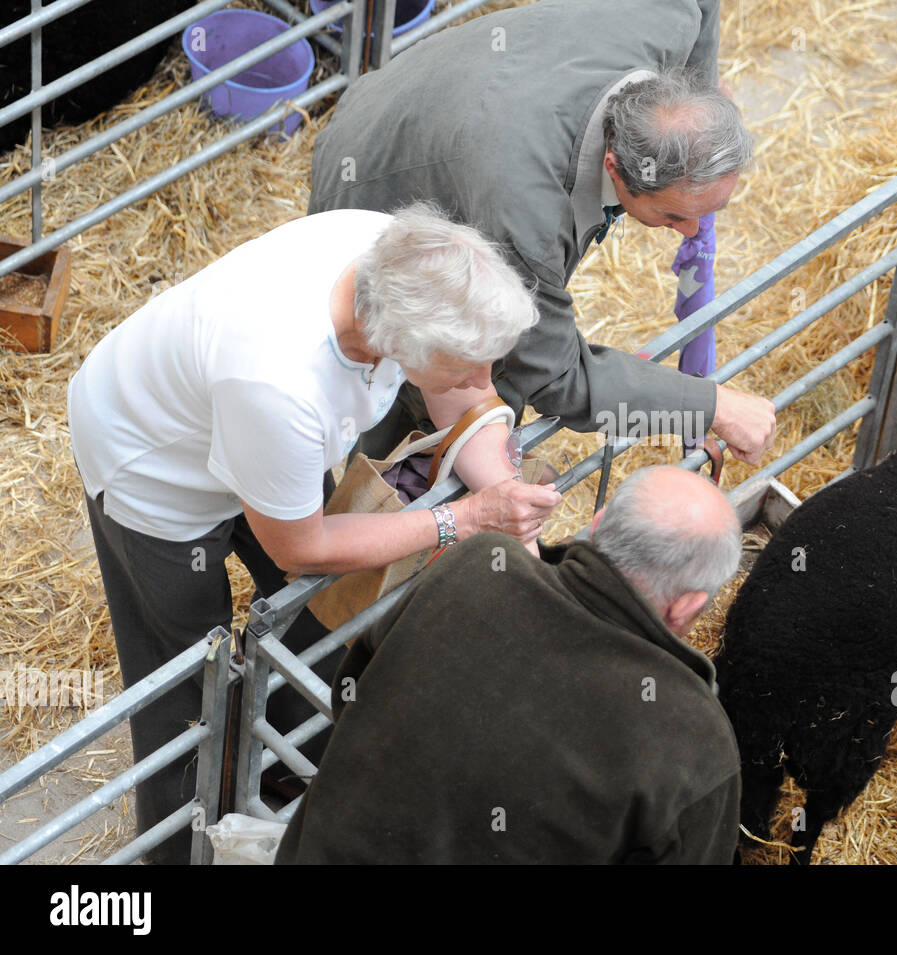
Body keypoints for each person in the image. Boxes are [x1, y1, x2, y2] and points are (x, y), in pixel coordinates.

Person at [68, 203, 561, 863]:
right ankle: (178, 850)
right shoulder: (280, 382)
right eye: (472, 368)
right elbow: (298, 548)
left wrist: (501, 490)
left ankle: (278, 757)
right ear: (403, 344)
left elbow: (455, 390)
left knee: (336, 605)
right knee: (188, 688)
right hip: (153, 473)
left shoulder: (394, 256)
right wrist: (463, 518)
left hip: (259, 443)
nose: (484, 386)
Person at [308, 0, 777, 466]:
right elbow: (553, 375)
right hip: (369, 169)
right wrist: (711, 407)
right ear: (614, 169)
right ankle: (404, 484)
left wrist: (703, 86)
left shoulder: (671, 15)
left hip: (438, 91)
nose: (690, 232)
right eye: (674, 217)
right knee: (451, 360)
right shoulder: (525, 221)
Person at [276, 466, 743, 864]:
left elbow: (351, 690)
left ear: (597, 525)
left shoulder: (477, 567)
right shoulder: (696, 742)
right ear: (688, 607)